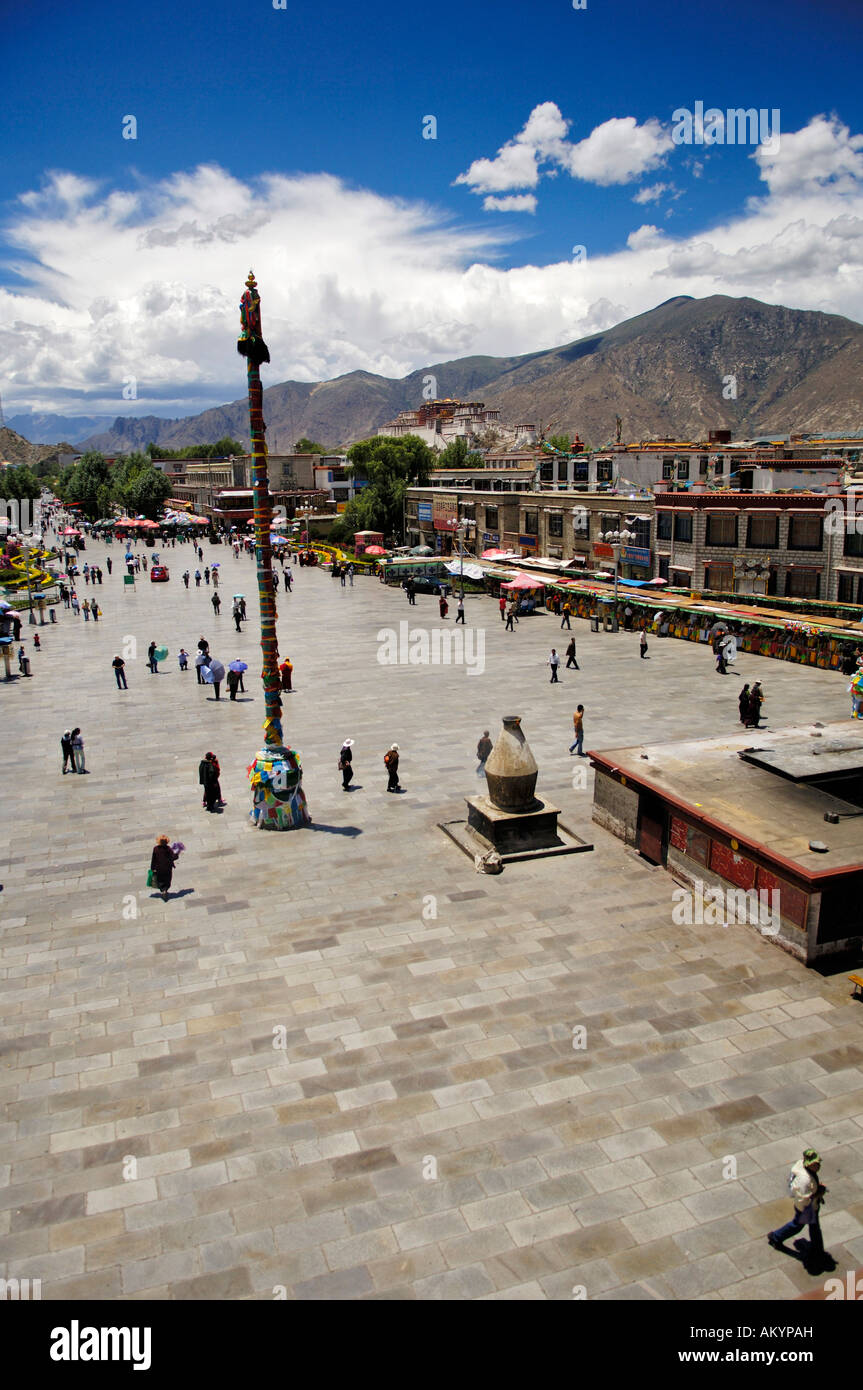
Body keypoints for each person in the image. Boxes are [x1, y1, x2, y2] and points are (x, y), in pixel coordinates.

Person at [768, 1149, 826, 1261]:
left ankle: (818, 1250)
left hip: (811, 1206)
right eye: (814, 1164)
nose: (817, 1166)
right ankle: (776, 1237)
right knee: (798, 1226)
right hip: (807, 1209)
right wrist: (819, 1193)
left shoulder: (803, 1167)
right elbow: (804, 1199)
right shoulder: (804, 1180)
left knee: (814, 1228)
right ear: (808, 1164)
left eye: (818, 1163)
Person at [150, 835, 179, 901]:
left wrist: (152, 868)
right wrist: (177, 854)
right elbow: (173, 857)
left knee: (160, 879)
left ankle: (163, 890)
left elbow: (153, 859)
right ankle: (165, 890)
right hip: (167, 868)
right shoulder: (168, 849)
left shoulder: (155, 849)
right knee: (167, 879)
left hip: (158, 868)